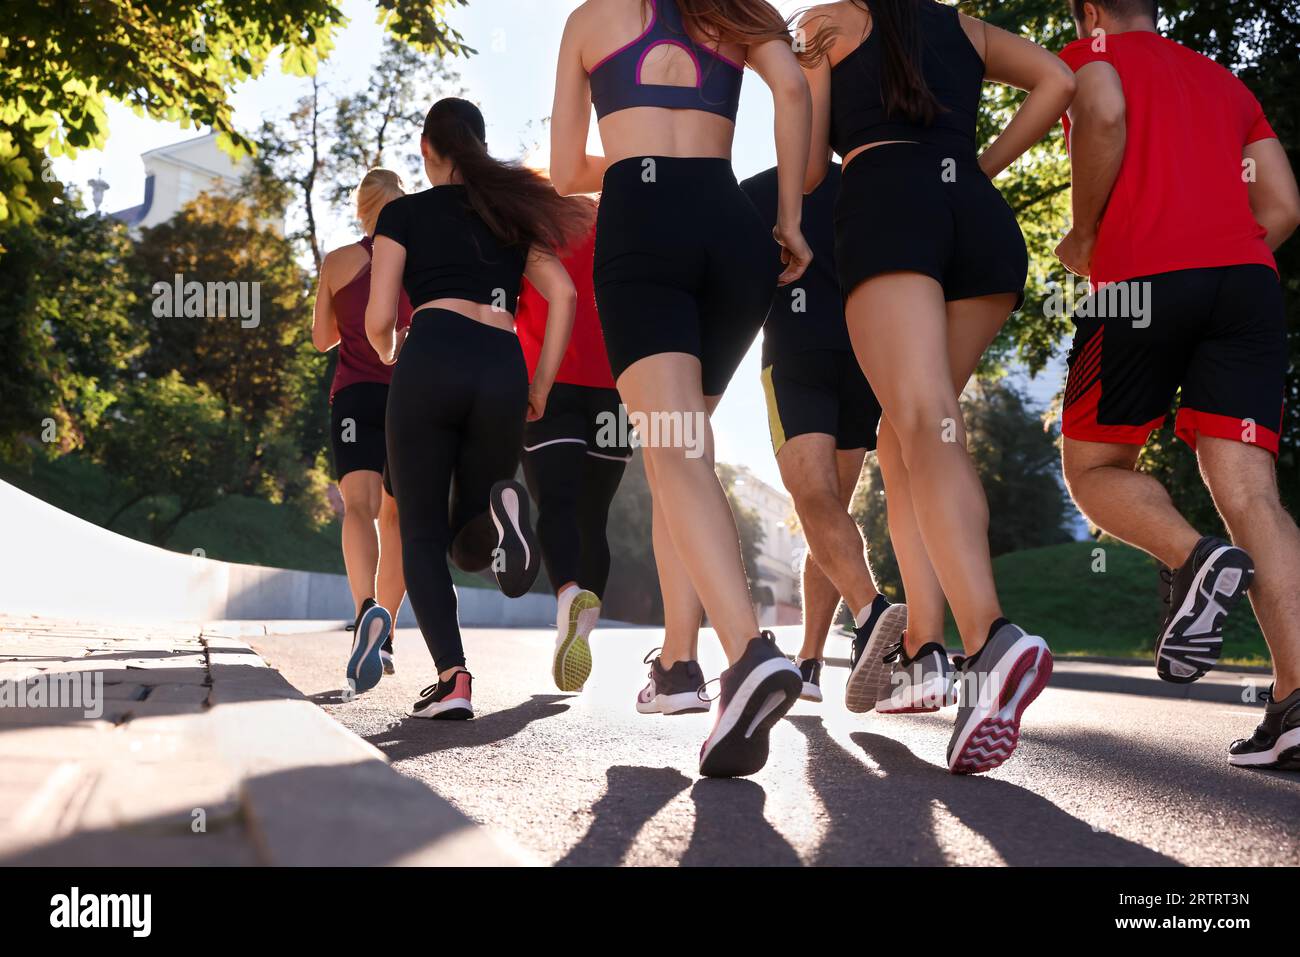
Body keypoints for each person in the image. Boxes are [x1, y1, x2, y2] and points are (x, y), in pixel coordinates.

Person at [799, 0, 1076, 773]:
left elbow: (814, 165)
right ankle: (925, 648)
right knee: (912, 430)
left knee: (923, 417)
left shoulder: (827, 23)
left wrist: (791, 219)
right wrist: (975, 170)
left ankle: (990, 638)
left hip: (888, 204)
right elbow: (1058, 80)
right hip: (977, 221)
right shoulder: (968, 27)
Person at [550, 0, 814, 777]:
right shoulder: (735, 9)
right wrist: (791, 222)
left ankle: (749, 656)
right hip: (732, 229)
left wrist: (632, 156)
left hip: (644, 230)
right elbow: (793, 94)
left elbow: (567, 171)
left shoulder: (589, 22)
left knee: (674, 454)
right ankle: (677, 665)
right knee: (679, 456)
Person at [1054, 0, 1300, 770]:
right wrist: (1222, 254)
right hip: (1247, 283)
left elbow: (1102, 121)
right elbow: (1284, 206)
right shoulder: (1226, 84)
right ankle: (1295, 708)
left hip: (1138, 282)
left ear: (1091, 10)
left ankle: (1195, 560)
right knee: (1253, 495)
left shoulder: (1082, 57)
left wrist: (1088, 234)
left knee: (1092, 469)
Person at [366, 97, 591, 720]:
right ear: (478, 144)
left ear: (427, 151)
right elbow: (564, 295)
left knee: (420, 529)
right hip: (501, 365)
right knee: (469, 544)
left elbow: (379, 319)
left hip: (431, 356)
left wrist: (392, 354)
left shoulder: (403, 214)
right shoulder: (511, 217)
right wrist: (540, 384)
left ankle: (453, 678)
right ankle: (502, 518)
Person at [740, 161, 912, 711]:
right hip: (866, 355)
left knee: (813, 501)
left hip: (797, 353)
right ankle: (810, 662)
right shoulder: (873, 181)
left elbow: (731, 284)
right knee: (829, 508)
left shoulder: (760, 191)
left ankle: (870, 614)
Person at [515, 208, 633, 693]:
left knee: (556, 505)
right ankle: (581, 627)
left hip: (549, 382)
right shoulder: (625, 220)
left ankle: (568, 596)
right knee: (594, 518)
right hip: (616, 391)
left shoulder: (531, 222)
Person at [312, 168, 412, 694]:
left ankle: (364, 614)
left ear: (361, 207)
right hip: (406, 398)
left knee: (358, 509)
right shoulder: (415, 263)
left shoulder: (337, 261)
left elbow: (320, 338)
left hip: (353, 396)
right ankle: (387, 634)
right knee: (395, 519)